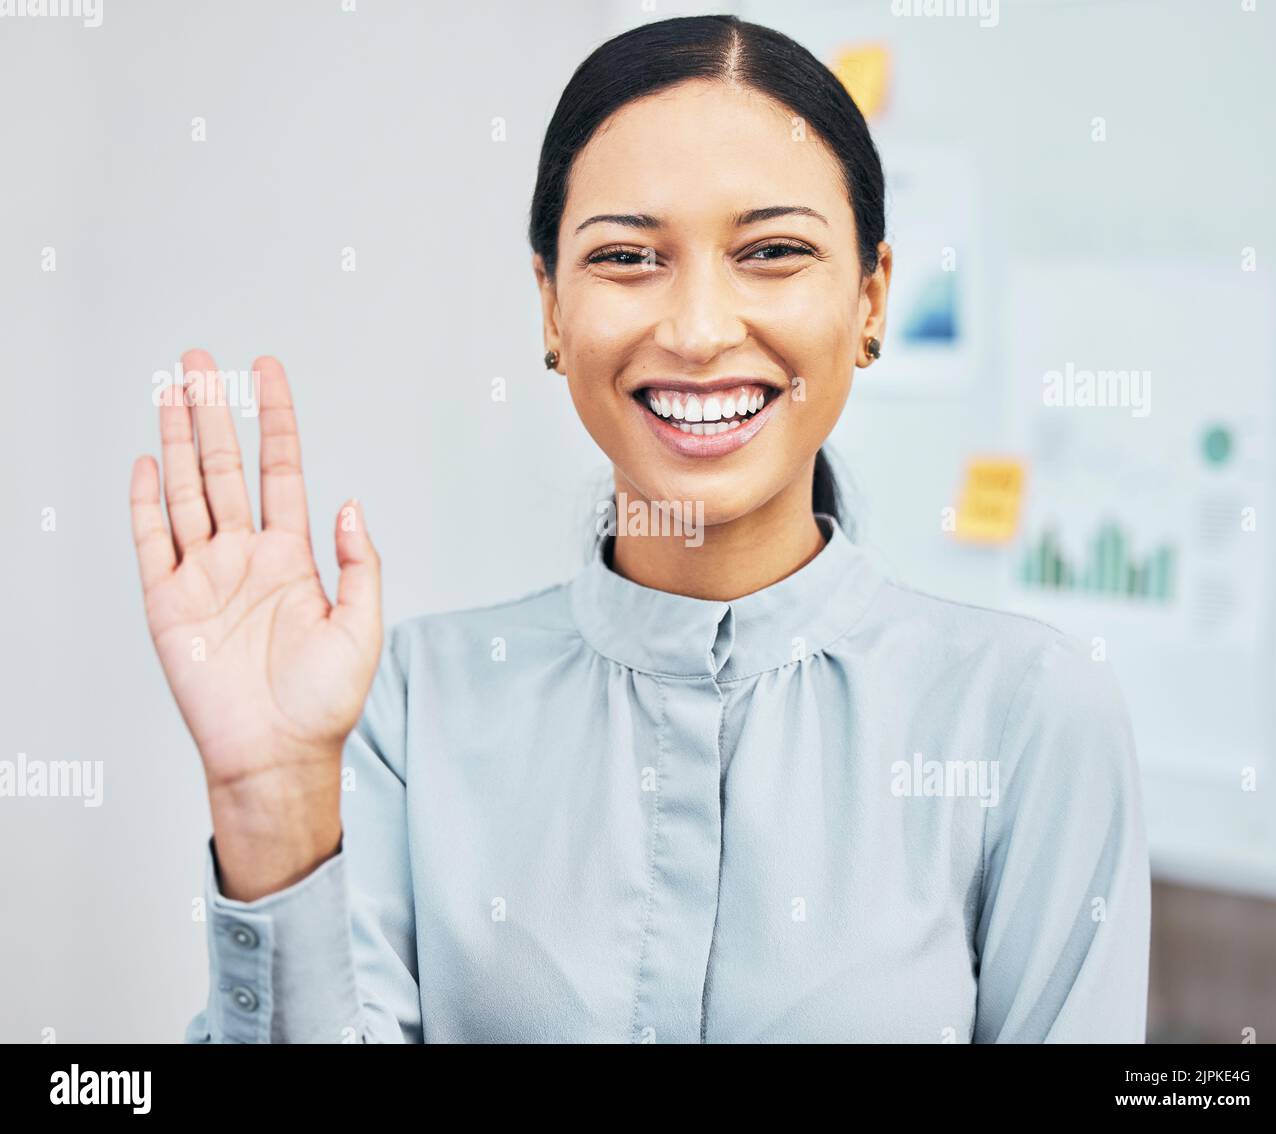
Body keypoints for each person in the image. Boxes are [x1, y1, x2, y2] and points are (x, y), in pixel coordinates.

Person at [128, 14, 1150, 1043]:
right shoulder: (404, 711)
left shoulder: (1027, 717)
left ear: (872, 298)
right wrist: (273, 808)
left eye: (773, 251)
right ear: (551, 310)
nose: (699, 330)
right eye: (626, 257)